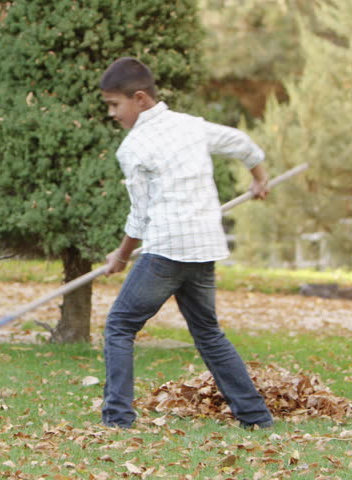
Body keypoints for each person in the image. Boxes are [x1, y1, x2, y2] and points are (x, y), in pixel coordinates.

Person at [98, 57, 274, 429]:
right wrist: (259, 178)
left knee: (119, 326)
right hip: (203, 248)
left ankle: (117, 418)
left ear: (140, 98)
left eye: (115, 104)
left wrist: (121, 255)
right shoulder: (191, 126)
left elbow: (140, 215)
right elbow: (242, 143)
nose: (112, 113)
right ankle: (256, 417)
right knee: (208, 333)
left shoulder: (133, 147)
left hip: (166, 251)